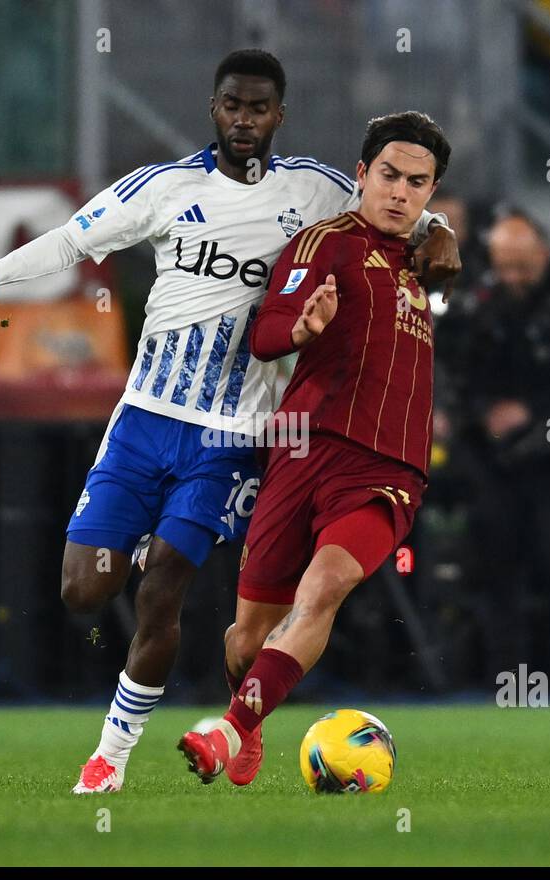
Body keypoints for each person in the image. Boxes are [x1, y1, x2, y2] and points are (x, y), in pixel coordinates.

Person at [0, 51, 460, 794]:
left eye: (259, 109)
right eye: (232, 106)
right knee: (86, 591)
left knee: (165, 590)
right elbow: (74, 237)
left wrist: (438, 228)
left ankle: (108, 760)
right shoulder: (165, 188)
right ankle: (158, 569)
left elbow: (395, 195)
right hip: (145, 416)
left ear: (280, 115)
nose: (244, 121)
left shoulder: (313, 188)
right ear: (215, 108)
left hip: (235, 434)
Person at [177, 111, 450, 785]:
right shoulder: (324, 242)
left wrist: (442, 233)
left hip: (386, 466)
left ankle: (227, 730)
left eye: (418, 183)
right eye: (388, 175)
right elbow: (266, 334)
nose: (400, 193)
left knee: (324, 587)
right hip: (301, 451)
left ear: (430, 192)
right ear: (361, 175)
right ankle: (252, 715)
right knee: (245, 638)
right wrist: (302, 327)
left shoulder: (427, 255)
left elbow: (442, 254)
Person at [440, 211, 550, 677]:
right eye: (504, 267)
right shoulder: (477, 300)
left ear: (543, 256)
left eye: (522, 268)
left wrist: (530, 409)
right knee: (495, 563)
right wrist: (457, 411)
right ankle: (505, 678)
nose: (512, 277)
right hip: (490, 456)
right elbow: (451, 363)